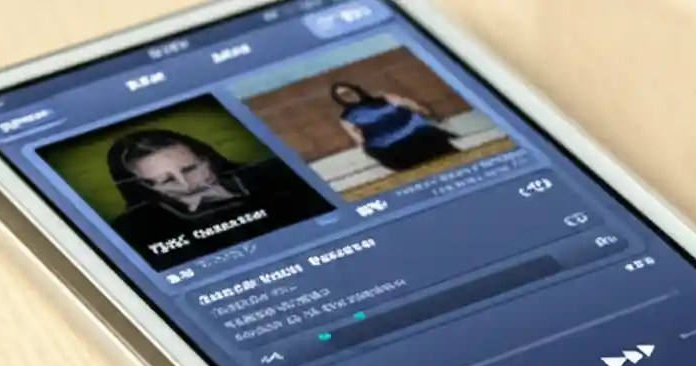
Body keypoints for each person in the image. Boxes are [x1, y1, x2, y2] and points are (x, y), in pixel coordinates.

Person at [106, 129, 330, 267]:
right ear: (144, 187)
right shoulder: (133, 232)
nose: (188, 185)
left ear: (208, 158)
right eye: (167, 181)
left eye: (191, 169)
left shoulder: (281, 177)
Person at [331, 82, 460, 172]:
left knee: (449, 156)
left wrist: (430, 115)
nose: (348, 96)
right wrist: (368, 151)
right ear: (340, 100)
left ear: (356, 90)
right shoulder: (346, 118)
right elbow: (359, 139)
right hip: (392, 147)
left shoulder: (386, 98)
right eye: (342, 95)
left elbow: (414, 106)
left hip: (417, 133)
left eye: (348, 92)